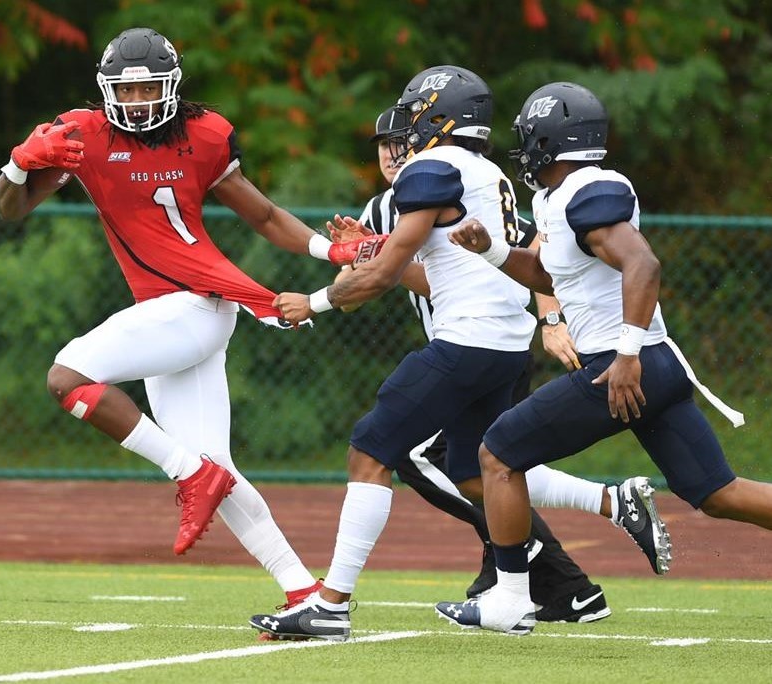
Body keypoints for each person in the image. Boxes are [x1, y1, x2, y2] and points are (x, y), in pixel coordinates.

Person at [248, 66, 666, 642]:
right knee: (474, 470)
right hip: (505, 345)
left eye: (415, 110)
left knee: (371, 449)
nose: (406, 124)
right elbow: (432, 264)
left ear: (437, 115)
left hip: (465, 340)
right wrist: (375, 252)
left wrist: (313, 302)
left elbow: (386, 273)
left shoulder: (432, 166)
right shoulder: (487, 172)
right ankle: (519, 590)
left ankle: (330, 604)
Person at [0, 28, 381, 609]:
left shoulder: (203, 136)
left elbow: (266, 215)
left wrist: (330, 252)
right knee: (219, 469)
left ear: (172, 86)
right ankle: (304, 592)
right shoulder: (84, 135)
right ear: (106, 94)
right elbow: (11, 208)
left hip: (196, 304)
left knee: (65, 377)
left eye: (150, 88)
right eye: (126, 93)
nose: (138, 102)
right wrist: (20, 164)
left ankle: (187, 473)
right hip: (171, 316)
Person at [436, 81, 770, 635]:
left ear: (547, 139)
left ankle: (511, 600)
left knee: (494, 454)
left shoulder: (589, 189)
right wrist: (491, 250)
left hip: (624, 365)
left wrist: (626, 356)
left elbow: (643, 266)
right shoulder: (558, 199)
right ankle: (513, 597)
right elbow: (551, 277)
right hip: (649, 364)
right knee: (718, 493)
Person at [351, 108, 640, 623]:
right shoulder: (388, 205)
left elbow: (538, 248)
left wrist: (552, 317)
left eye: (401, 140)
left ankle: (527, 556)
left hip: (483, 346)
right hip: (473, 345)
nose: (393, 152)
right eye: (382, 144)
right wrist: (366, 256)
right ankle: (573, 557)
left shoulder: (457, 180)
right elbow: (414, 275)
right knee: (490, 460)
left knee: (428, 455)